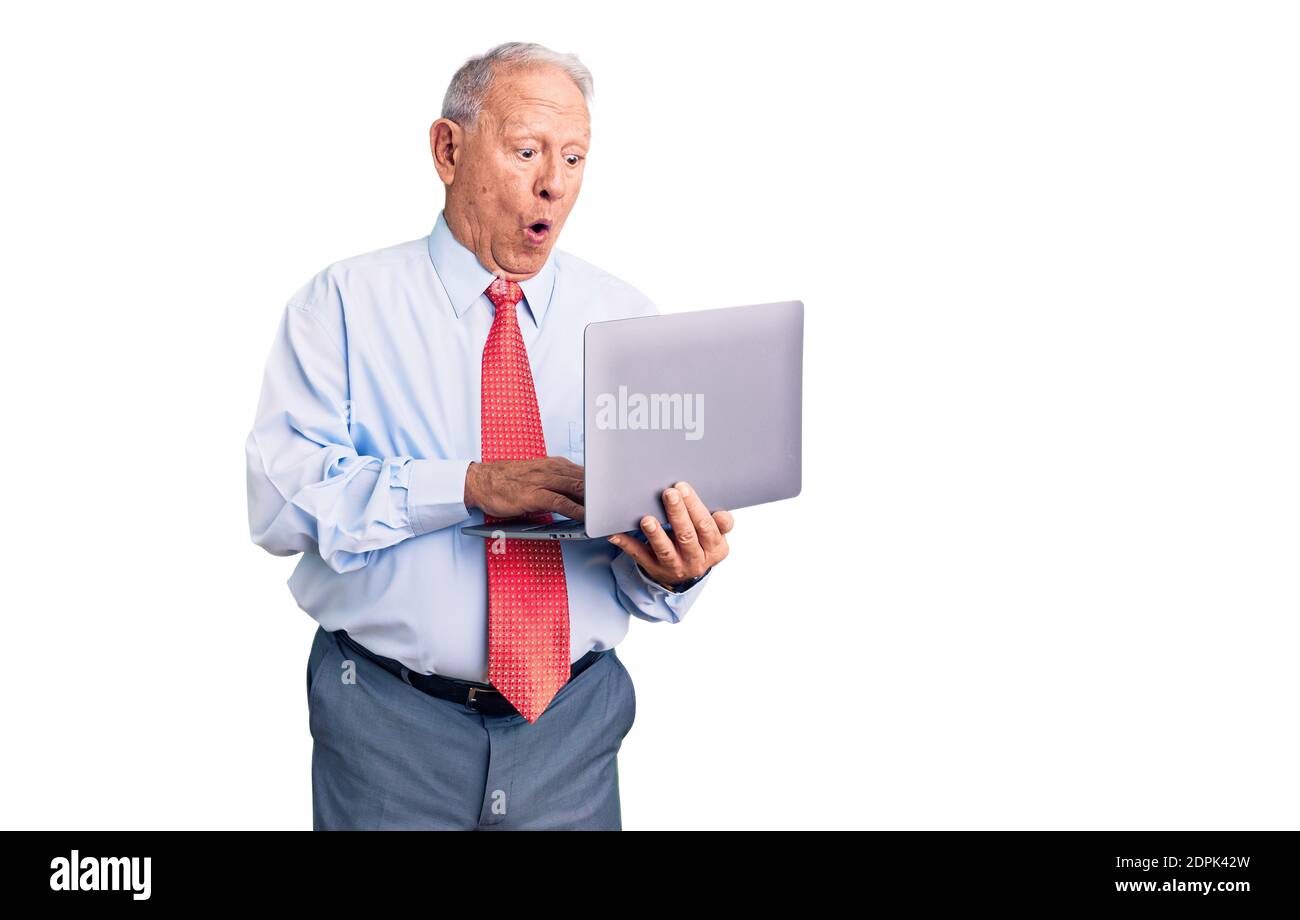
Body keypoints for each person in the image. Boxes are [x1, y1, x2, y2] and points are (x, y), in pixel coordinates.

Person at [245, 41, 734, 830]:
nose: (554, 184)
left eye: (573, 157)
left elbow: (636, 575)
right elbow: (281, 506)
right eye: (528, 151)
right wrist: (467, 486)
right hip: (385, 728)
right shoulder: (341, 305)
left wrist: (675, 569)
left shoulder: (629, 322)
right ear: (448, 151)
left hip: (574, 729)